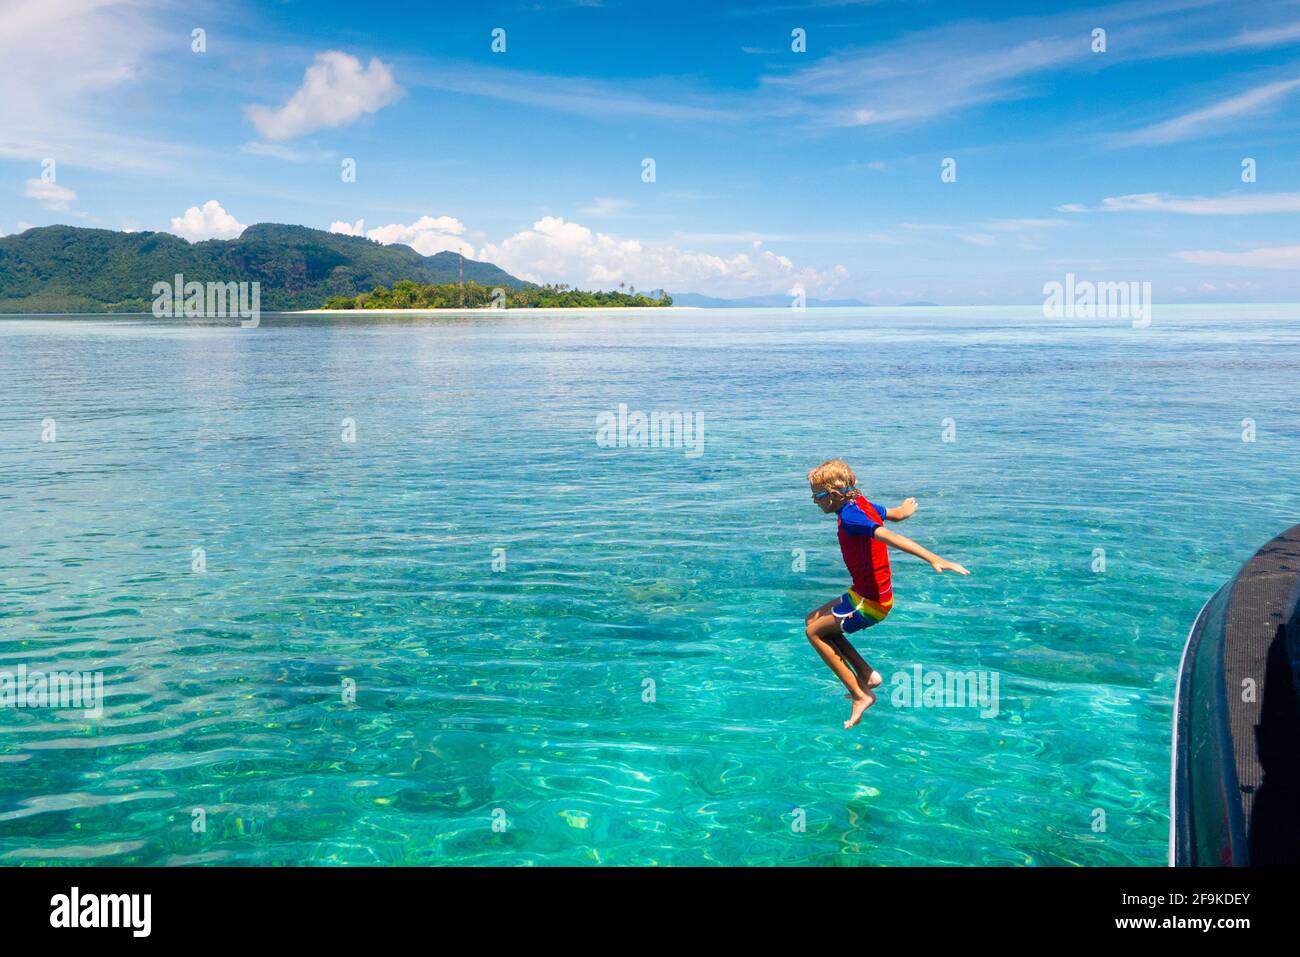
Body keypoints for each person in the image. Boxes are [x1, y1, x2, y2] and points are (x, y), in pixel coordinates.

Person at [804, 458, 970, 728]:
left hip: (869, 604)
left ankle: (860, 695)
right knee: (813, 620)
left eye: (818, 496)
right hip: (865, 595)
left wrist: (934, 559)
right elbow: (896, 515)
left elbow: (892, 537)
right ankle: (867, 675)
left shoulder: (851, 517)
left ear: (834, 494)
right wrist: (905, 510)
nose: (814, 501)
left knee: (813, 632)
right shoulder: (862, 504)